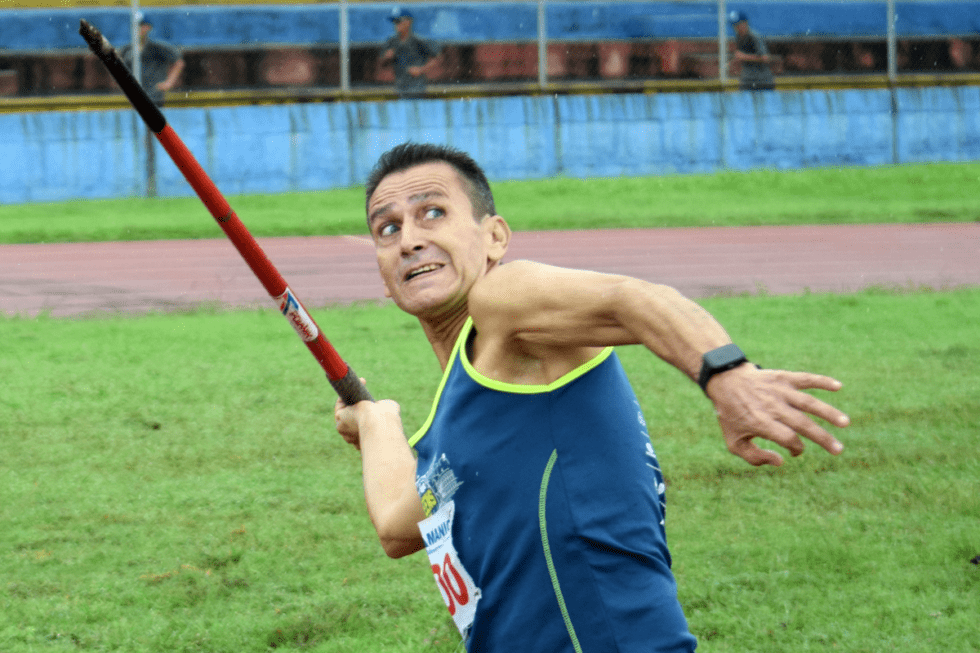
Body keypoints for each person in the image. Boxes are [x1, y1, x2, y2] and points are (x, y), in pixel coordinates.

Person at [334, 142, 850, 651]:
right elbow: (400, 527)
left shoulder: (504, 301)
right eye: (388, 228)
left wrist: (728, 375)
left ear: (495, 237)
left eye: (433, 213)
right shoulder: (465, 400)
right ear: (382, 271)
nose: (409, 240)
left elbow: (630, 301)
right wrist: (378, 421)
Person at [119, 16, 184, 107]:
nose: (137, 29)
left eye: (141, 25)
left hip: (155, 97)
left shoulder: (158, 47)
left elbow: (178, 62)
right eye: (134, 26)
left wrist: (169, 82)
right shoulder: (127, 49)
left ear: (148, 27)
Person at [379, 7, 440, 99]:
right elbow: (382, 64)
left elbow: (438, 59)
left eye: (399, 21)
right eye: (394, 22)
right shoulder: (391, 42)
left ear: (408, 22)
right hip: (400, 90)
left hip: (417, 89)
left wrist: (421, 69)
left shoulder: (418, 41)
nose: (396, 25)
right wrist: (387, 57)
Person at [729, 11, 775, 91]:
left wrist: (744, 57)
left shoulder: (754, 37)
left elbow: (766, 58)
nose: (737, 28)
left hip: (762, 81)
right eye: (734, 25)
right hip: (747, 80)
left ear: (745, 23)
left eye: (738, 25)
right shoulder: (739, 37)